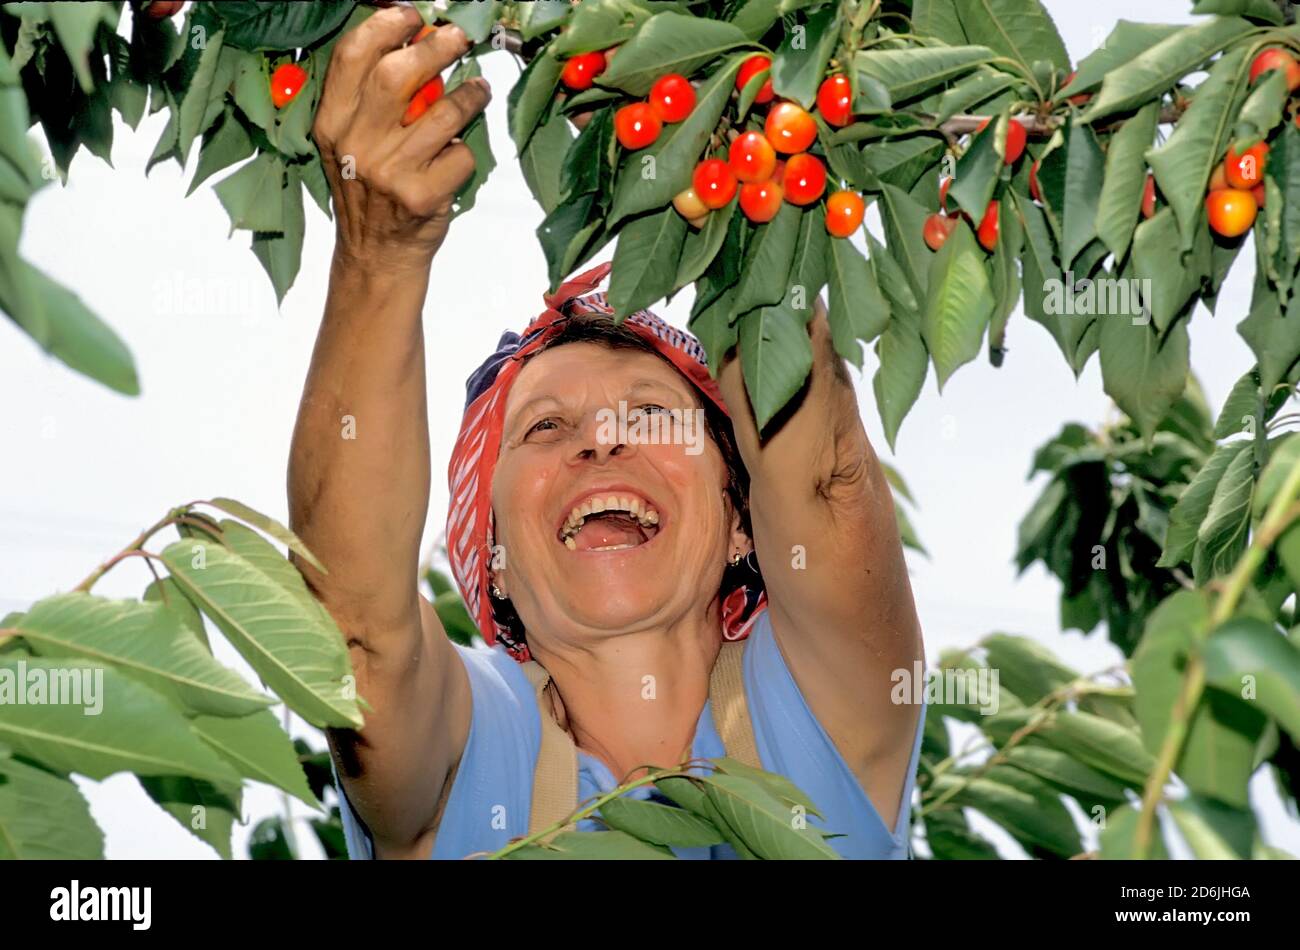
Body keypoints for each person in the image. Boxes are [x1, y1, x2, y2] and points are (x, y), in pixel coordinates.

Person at [288, 7, 925, 860]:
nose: (602, 442)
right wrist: (379, 259)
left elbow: (826, 485)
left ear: (744, 525)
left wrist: (720, 144)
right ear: (494, 559)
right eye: (545, 426)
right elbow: (361, 640)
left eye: (652, 415)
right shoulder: (481, 752)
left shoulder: (810, 715)